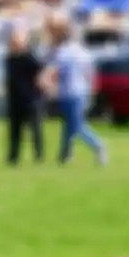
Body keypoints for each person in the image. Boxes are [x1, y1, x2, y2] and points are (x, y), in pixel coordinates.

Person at [44, 12, 107, 166]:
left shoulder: (62, 52)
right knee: (69, 124)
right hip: (81, 91)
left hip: (70, 92)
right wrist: (92, 90)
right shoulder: (82, 52)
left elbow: (54, 71)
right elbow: (90, 73)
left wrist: (47, 84)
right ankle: (65, 155)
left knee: (76, 125)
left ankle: (98, 145)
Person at [3, 25, 45, 165]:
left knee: (35, 130)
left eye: (18, 41)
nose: (15, 44)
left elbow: (41, 68)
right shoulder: (9, 59)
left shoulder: (29, 57)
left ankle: (39, 155)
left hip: (31, 98)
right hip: (15, 100)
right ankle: (13, 157)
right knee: (15, 130)